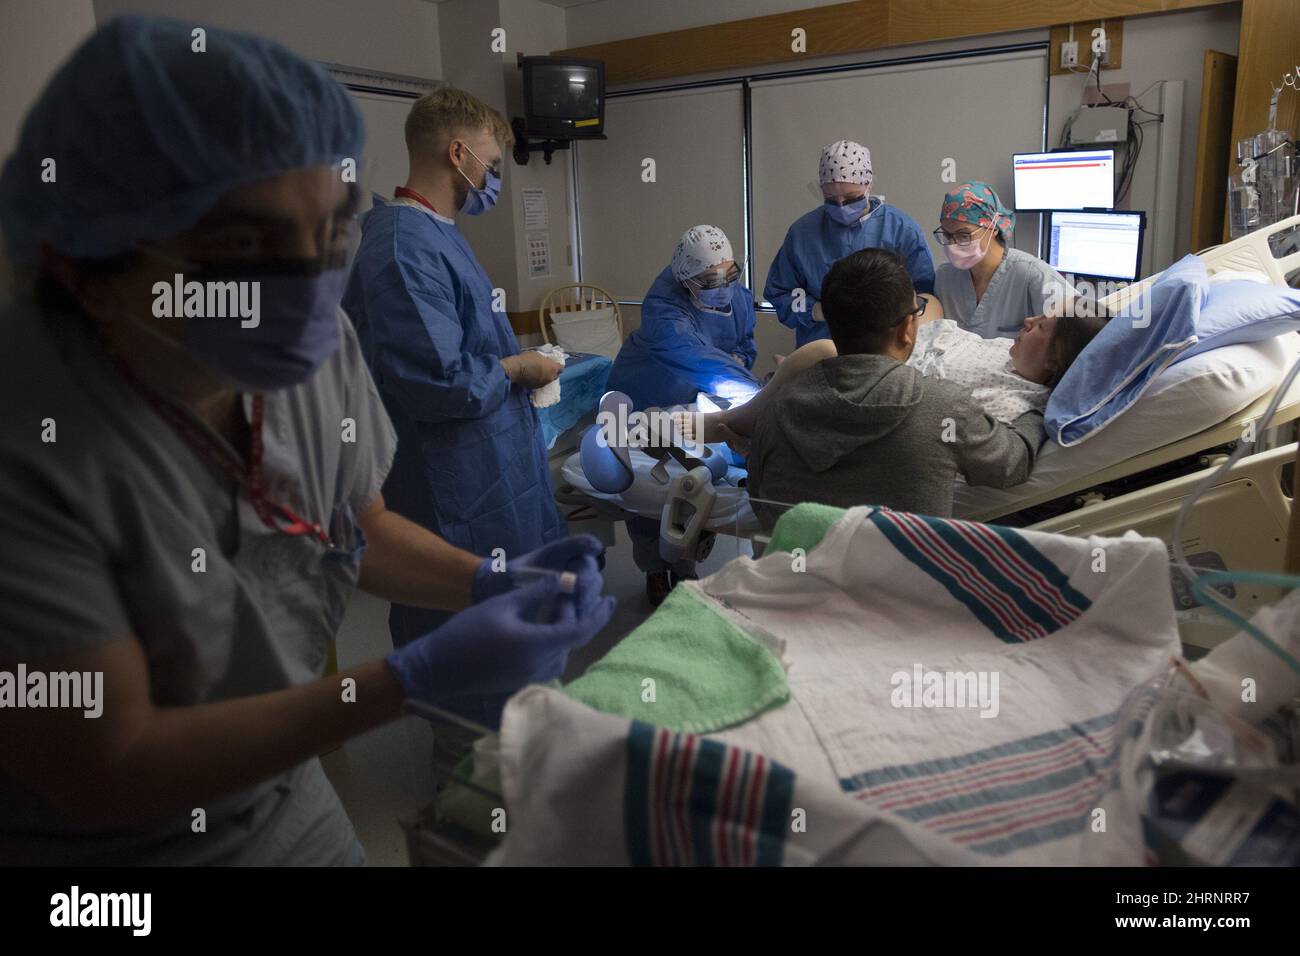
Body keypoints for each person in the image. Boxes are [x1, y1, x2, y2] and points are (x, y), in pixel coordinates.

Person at [0, 16, 613, 866]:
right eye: (244, 246)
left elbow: (351, 530)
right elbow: (113, 762)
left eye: (327, 231)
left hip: (282, 790)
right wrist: (404, 681)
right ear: (85, 262)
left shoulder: (313, 356)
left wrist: (485, 579)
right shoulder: (35, 441)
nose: (301, 288)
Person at [341, 90, 573, 677]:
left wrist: (517, 363)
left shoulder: (438, 234)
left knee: (517, 642)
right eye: (492, 166)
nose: (494, 179)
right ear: (458, 153)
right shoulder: (400, 248)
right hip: (454, 491)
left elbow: (464, 349)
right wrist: (520, 368)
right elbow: (439, 383)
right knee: (470, 667)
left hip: (492, 472)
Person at [745, 248, 1070, 529]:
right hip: (899, 593)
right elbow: (1011, 463)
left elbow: (759, 499)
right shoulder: (944, 409)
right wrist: (1040, 404)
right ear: (907, 329)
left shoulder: (777, 413)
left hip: (794, 587)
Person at [606, 224, 759, 605]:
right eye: (710, 280)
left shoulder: (734, 293)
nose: (723, 285)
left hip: (699, 395)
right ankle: (654, 570)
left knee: (694, 480)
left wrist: (742, 359)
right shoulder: (664, 309)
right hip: (649, 395)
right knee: (652, 488)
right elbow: (694, 356)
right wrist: (757, 391)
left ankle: (685, 569)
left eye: (729, 275)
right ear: (687, 279)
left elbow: (743, 339)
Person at [764, 140, 935, 347]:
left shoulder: (900, 229)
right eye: (831, 198)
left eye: (852, 198)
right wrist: (817, 311)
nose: (842, 206)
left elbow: (925, 295)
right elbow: (780, 293)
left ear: (868, 185)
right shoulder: (802, 233)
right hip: (820, 351)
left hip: (886, 349)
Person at [932, 181, 1076, 339]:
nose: (952, 244)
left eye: (963, 235)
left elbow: (1080, 327)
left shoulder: (1031, 274)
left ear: (992, 227)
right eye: (946, 235)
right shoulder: (945, 277)